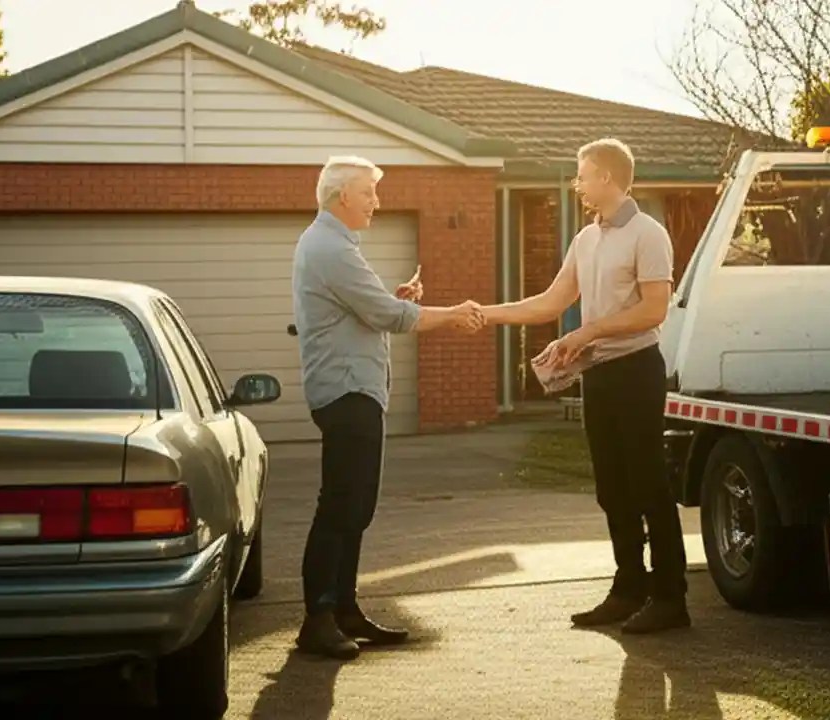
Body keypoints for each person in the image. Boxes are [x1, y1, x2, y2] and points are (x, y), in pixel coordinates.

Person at [481, 138, 689, 634]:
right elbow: (552, 301)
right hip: (598, 376)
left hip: (637, 371)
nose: (577, 184)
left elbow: (654, 310)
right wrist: (485, 313)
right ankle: (628, 589)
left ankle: (670, 597)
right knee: (612, 488)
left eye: (583, 174)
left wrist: (590, 330)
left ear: (609, 178)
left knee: (648, 484)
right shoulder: (586, 238)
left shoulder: (648, 234)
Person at [292, 155, 484, 660]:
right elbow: (389, 316)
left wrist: (392, 300)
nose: (377, 202)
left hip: (355, 392)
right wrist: (452, 314)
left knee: (355, 508)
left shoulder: (334, 245)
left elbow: (371, 309)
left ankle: (344, 611)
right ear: (341, 197)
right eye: (369, 192)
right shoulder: (331, 247)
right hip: (347, 393)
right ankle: (318, 619)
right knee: (340, 506)